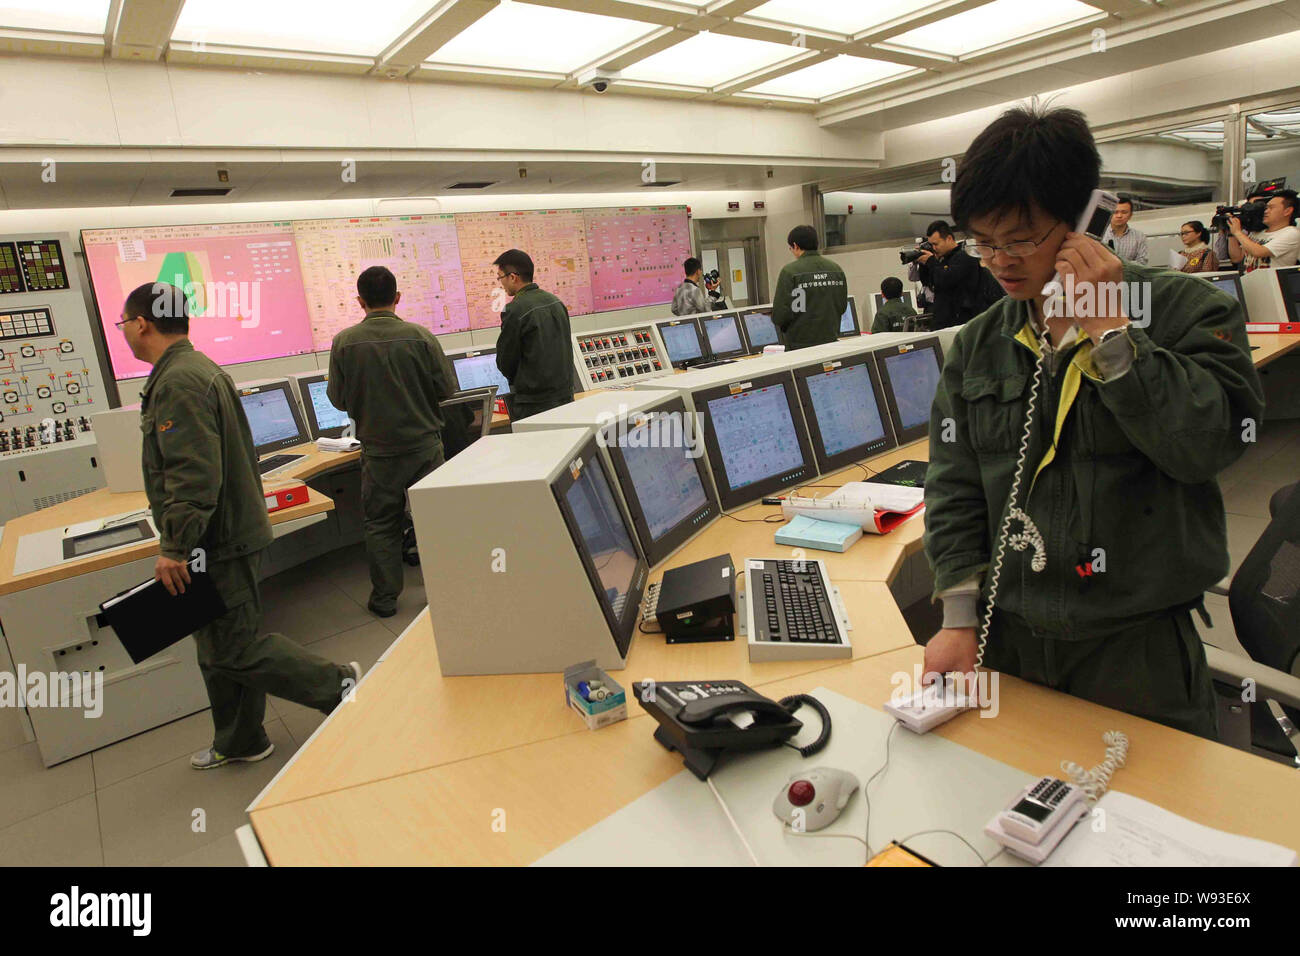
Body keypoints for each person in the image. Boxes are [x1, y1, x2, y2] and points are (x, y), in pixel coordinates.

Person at [923, 103, 1264, 739]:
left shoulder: (1183, 308)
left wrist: (1111, 332)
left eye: (1020, 239)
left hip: (1135, 650)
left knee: (1151, 825)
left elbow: (1206, 445)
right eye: (984, 242)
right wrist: (959, 616)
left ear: (1085, 223)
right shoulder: (978, 344)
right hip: (1011, 641)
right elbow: (955, 483)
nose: (999, 261)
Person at [120, 282, 359, 770]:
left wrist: (175, 544)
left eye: (123, 323)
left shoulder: (179, 381)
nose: (124, 332)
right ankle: (241, 740)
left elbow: (193, 474)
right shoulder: (192, 369)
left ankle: (337, 682)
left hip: (216, 539)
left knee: (232, 647)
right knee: (215, 645)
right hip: (222, 531)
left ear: (142, 323)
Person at [328, 266, 458, 618]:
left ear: (360, 301)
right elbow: (447, 390)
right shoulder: (421, 337)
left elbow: (337, 399)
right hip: (424, 448)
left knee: (381, 524)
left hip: (379, 453)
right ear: (397, 297)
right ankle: (444, 593)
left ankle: (385, 599)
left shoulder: (344, 342)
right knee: (432, 521)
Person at [493, 249, 574, 419]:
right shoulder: (555, 301)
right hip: (565, 398)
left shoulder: (515, 309)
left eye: (501, 278)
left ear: (513, 277)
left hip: (535, 405)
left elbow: (505, 360)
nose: (501, 284)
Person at [770, 225, 848, 348]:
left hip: (800, 345)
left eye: (790, 248)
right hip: (831, 341)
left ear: (795, 245)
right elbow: (842, 306)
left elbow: (781, 315)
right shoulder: (836, 269)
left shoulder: (790, 271)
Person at [915, 220, 981, 330]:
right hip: (943, 321)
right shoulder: (941, 260)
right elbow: (928, 283)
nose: (934, 248)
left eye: (936, 244)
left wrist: (931, 261)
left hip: (960, 323)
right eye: (931, 245)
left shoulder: (964, 257)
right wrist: (923, 263)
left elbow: (946, 279)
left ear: (949, 238)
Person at [1227, 188, 1300, 272]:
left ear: (1287, 211)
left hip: (1272, 284)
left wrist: (1237, 232)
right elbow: (1237, 258)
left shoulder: (1291, 233)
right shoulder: (1258, 232)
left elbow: (1259, 252)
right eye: (1266, 208)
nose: (1266, 211)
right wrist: (1231, 232)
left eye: (1271, 208)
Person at [1100, 194, 1148, 264]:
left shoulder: (1139, 237)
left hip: (1130, 274)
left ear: (1130, 215)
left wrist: (1122, 267)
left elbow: (1142, 262)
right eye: (1115, 212)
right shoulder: (1100, 236)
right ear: (1110, 213)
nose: (1119, 216)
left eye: (1124, 212)